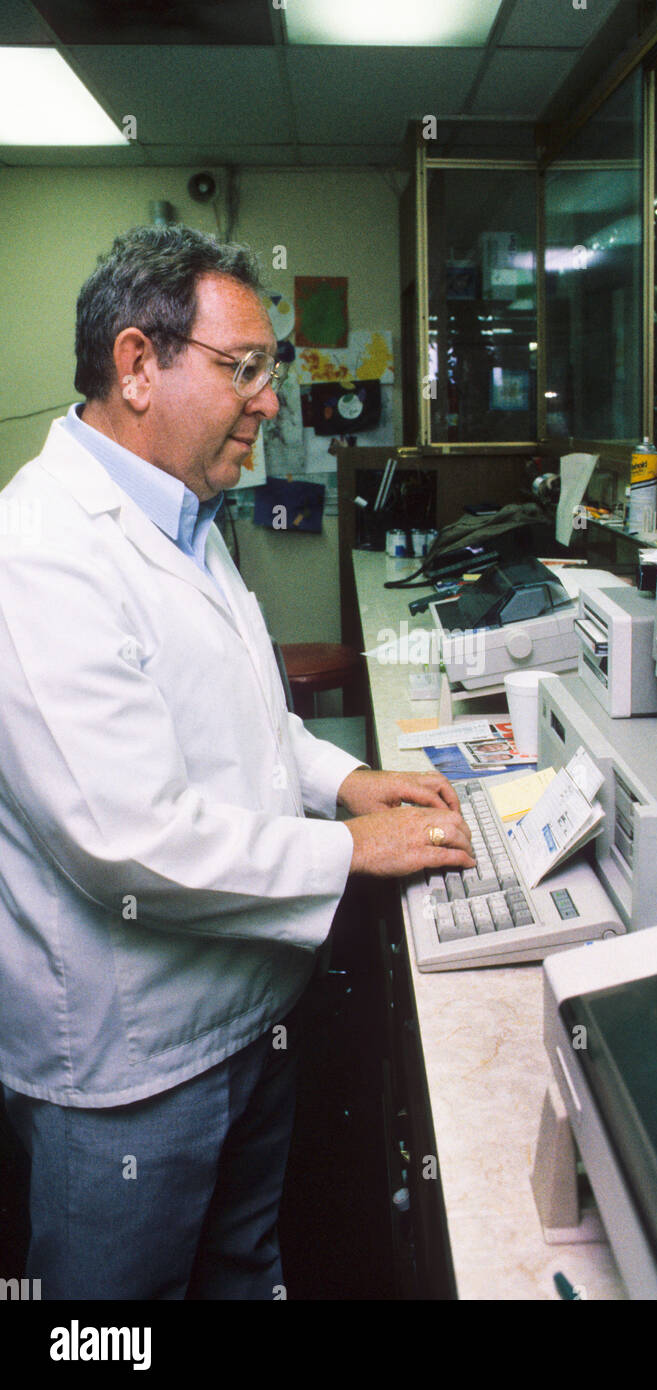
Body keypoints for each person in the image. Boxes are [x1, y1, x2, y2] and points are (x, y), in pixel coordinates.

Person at [0, 225, 474, 1300]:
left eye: (272, 370)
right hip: (131, 1069)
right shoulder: (38, 551)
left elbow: (246, 720)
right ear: (136, 367)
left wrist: (345, 781)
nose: (270, 401)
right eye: (243, 368)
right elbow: (126, 838)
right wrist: (350, 849)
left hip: (245, 1019)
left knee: (243, 1271)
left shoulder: (185, 515)